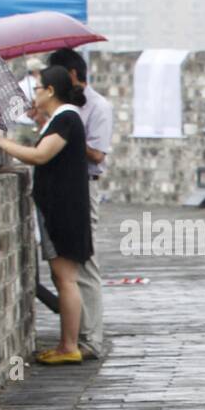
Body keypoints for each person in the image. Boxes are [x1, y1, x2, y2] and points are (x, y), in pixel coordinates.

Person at [0, 66, 93, 365]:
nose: (34, 93)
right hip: (61, 209)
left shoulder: (67, 118)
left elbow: (40, 156)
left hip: (65, 212)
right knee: (63, 278)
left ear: (50, 91)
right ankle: (66, 343)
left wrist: (1, 143)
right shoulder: (58, 120)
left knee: (66, 279)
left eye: (37, 88)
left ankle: (69, 345)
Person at [49, 49, 113, 361]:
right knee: (71, 264)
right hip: (66, 189)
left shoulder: (97, 107)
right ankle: (80, 334)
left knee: (85, 261)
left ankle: (92, 338)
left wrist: (68, 136)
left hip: (84, 187)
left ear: (71, 75)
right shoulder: (66, 111)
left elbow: (98, 154)